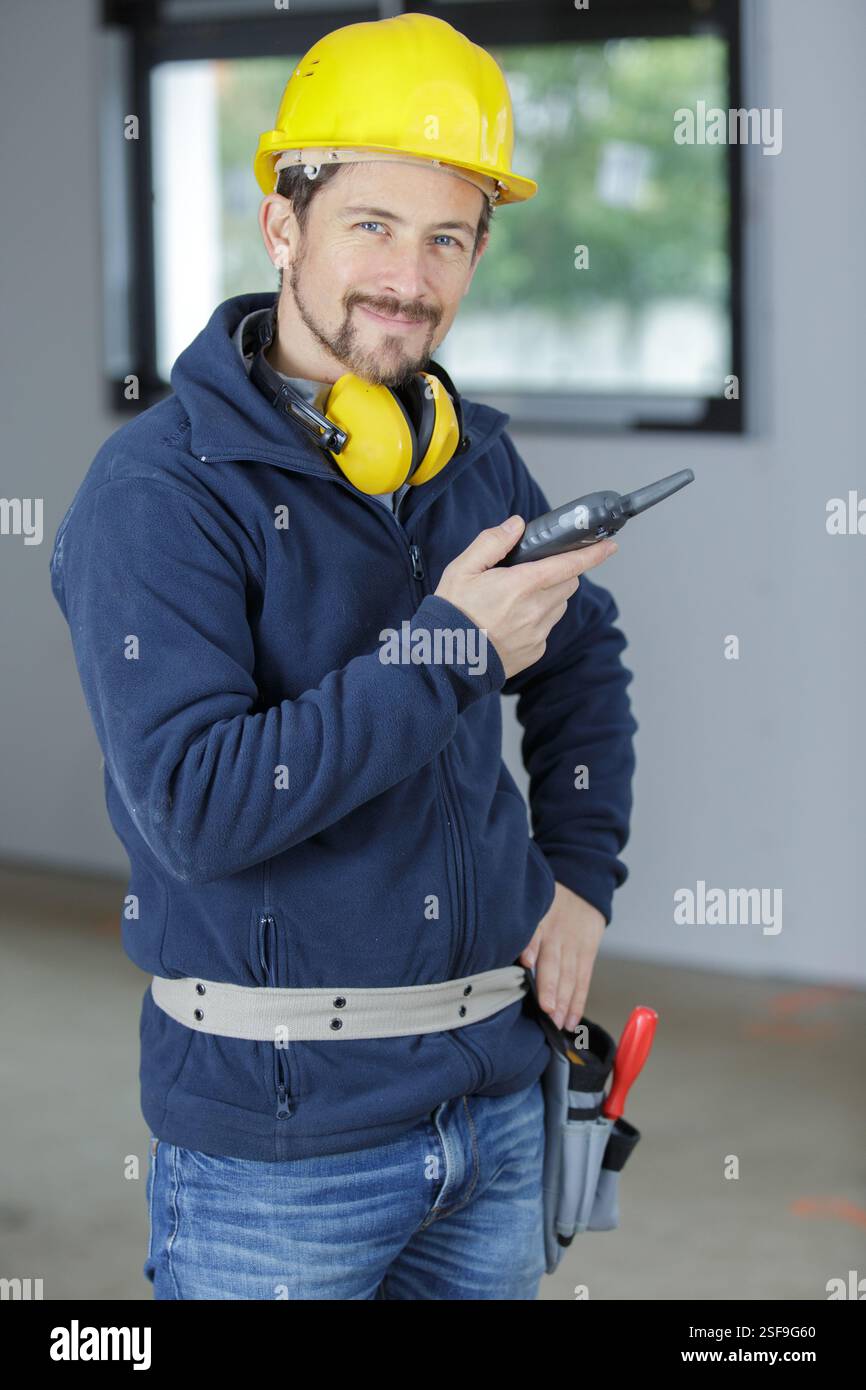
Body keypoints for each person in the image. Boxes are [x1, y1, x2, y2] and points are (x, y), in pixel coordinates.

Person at [49, 11, 637, 1300]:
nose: (408, 277)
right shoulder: (159, 494)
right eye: (372, 224)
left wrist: (582, 880)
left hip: (493, 1103)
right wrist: (446, 647)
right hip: (282, 1153)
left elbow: (580, 658)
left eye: (448, 239)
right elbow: (200, 807)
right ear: (282, 227)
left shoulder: (462, 451)